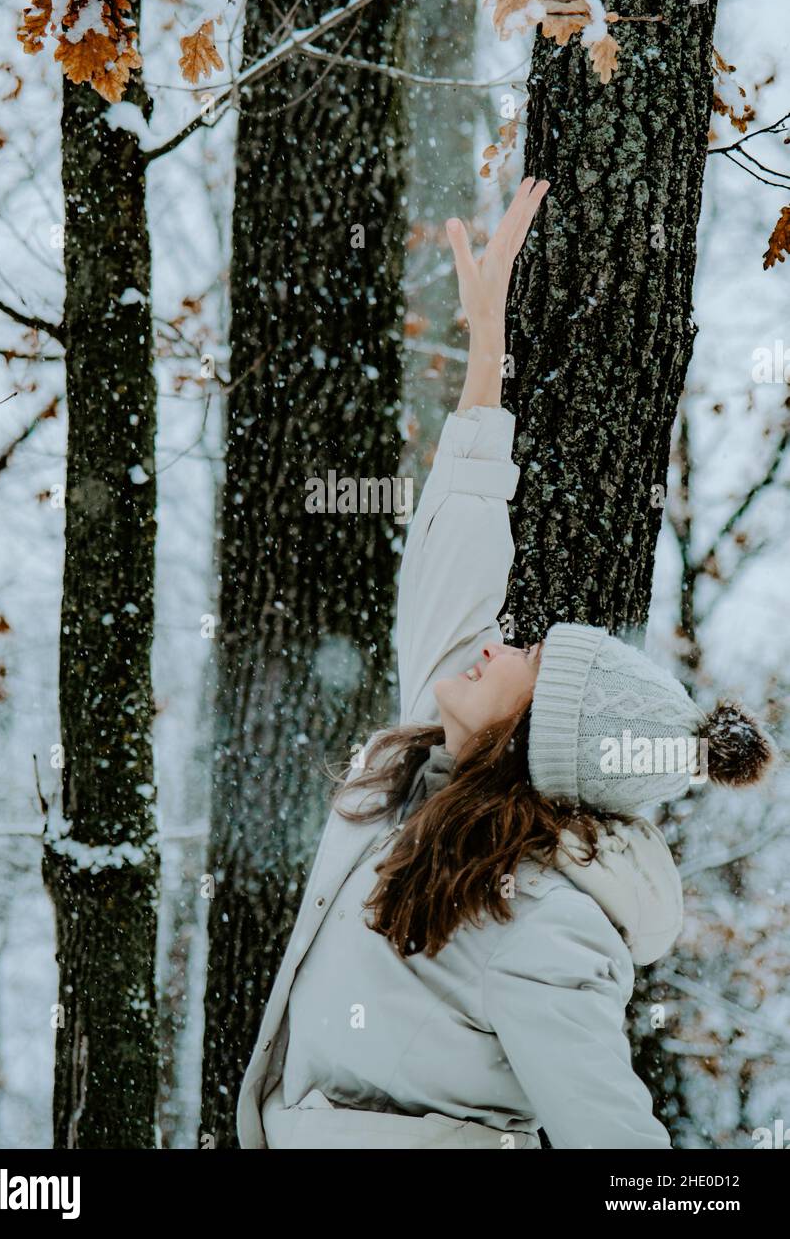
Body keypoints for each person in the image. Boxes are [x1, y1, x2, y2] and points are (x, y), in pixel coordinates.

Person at [236, 178, 774, 1150]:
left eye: (521, 657)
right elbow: (457, 552)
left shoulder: (545, 923)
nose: (497, 640)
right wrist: (487, 351)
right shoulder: (426, 778)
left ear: (524, 743)